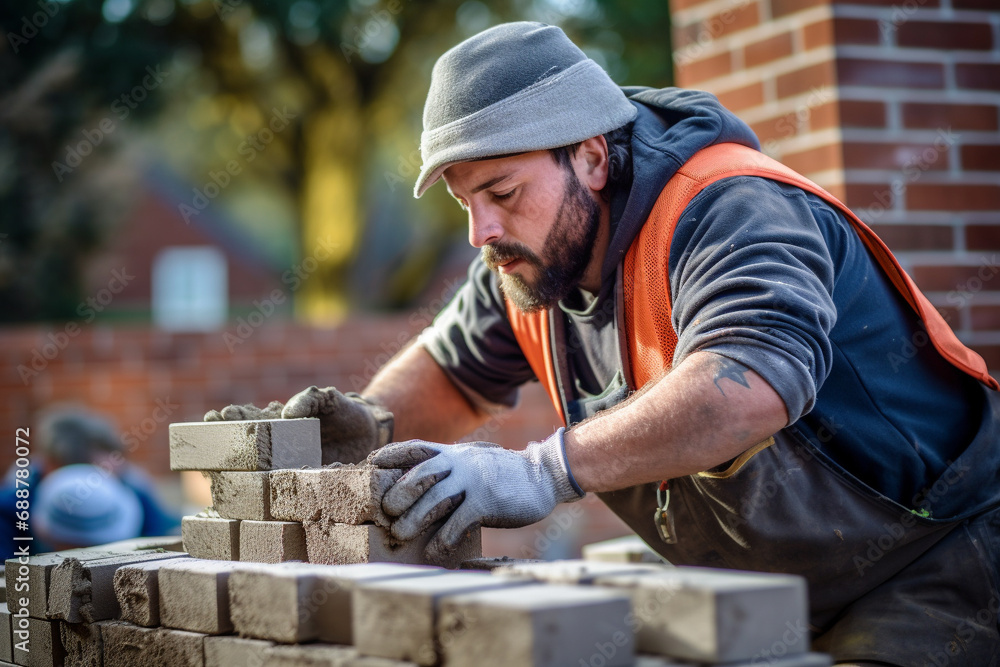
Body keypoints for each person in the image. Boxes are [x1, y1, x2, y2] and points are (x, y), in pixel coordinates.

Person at [208, 23, 1000, 663]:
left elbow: (753, 382)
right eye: (463, 202)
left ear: (590, 155)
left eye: (502, 192)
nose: (482, 230)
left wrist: (541, 471)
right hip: (761, 596)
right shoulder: (525, 263)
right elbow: (452, 375)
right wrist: (372, 422)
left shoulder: (733, 209)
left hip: (939, 564)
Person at [0, 408, 181, 556]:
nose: (103, 487)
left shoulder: (132, 490)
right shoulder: (10, 510)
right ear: (50, 465)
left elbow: (162, 533)